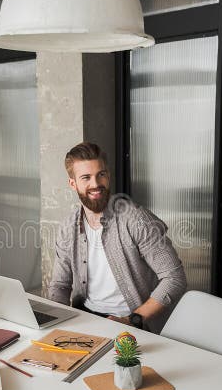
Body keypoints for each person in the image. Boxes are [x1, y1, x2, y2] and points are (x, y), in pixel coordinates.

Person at [48, 142, 187, 332]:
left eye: (101, 174)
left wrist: (134, 319)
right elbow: (60, 285)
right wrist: (56, 322)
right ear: (73, 184)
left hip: (132, 321)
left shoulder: (137, 220)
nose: (95, 184)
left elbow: (174, 277)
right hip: (84, 318)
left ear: (108, 175)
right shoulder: (68, 227)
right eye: (86, 177)